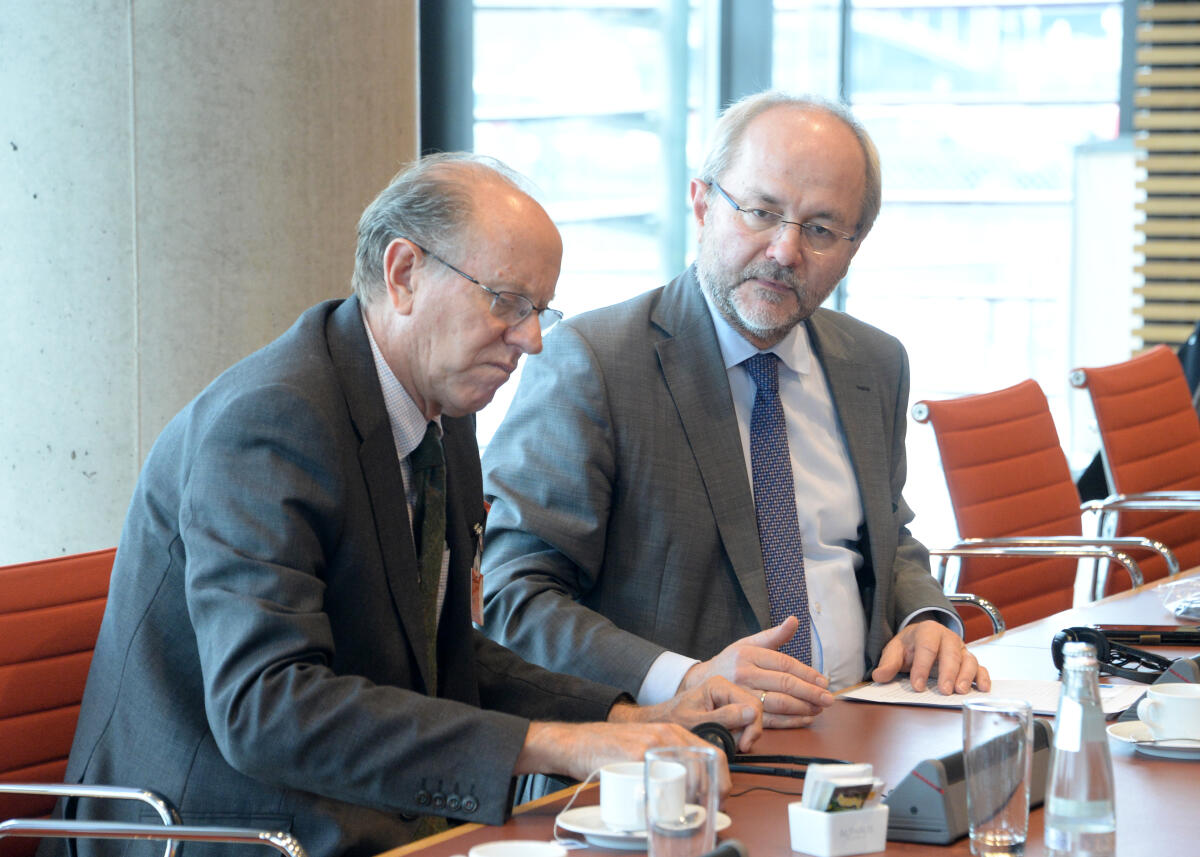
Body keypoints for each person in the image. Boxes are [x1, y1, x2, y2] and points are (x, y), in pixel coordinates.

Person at [52, 154, 762, 857]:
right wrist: (559, 744)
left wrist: (627, 715)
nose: (533, 339)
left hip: (355, 809)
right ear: (402, 274)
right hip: (221, 825)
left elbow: (441, 650)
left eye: (539, 309)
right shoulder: (269, 422)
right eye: (507, 302)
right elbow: (266, 708)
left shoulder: (443, 413)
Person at [480, 91, 990, 733]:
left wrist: (925, 620)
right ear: (701, 202)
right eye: (760, 212)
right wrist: (685, 679)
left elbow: (886, 535)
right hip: (677, 755)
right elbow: (513, 600)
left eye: (822, 229)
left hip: (866, 723)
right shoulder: (595, 363)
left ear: (855, 246)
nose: (785, 250)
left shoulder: (874, 363)